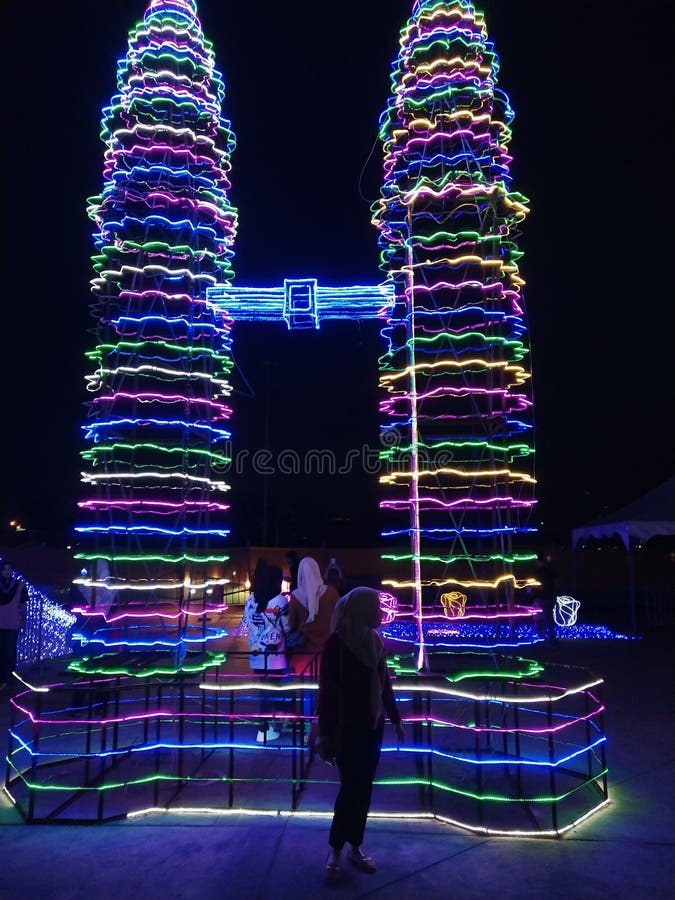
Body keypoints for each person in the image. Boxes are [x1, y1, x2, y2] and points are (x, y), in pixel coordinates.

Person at [316, 587, 404, 882]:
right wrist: (325, 733)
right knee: (351, 789)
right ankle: (336, 849)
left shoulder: (375, 643)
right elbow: (327, 694)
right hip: (347, 729)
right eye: (373, 606)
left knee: (363, 788)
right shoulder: (337, 646)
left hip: (372, 727)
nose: (379, 612)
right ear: (358, 610)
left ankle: (354, 846)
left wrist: (395, 718)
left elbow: (384, 682)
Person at [241, 564, 289, 742]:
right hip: (274, 655)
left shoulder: (249, 599)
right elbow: (288, 627)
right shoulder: (280, 601)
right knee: (271, 692)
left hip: (255, 653)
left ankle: (265, 726)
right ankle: (265, 728)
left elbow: (245, 623)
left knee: (264, 690)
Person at [287, 557, 340, 675]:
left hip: (302, 656)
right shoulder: (331, 593)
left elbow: (291, 624)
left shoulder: (295, 596)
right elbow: (340, 619)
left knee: (302, 690)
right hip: (327, 655)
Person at [0, 559, 28, 692]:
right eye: (4, 569)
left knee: (9, 653)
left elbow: (23, 604)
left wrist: (24, 619)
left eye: (9, 569)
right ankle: (2, 681)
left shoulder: (20, 585)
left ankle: (10, 681)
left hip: (12, 623)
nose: (7, 571)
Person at [535, 550, 559, 647]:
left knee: (547, 618)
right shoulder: (551, 570)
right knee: (548, 618)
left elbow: (542, 586)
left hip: (545, 597)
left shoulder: (542, 572)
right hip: (550, 596)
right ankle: (549, 638)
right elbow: (556, 582)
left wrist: (533, 589)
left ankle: (552, 640)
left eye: (537, 561)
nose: (535, 563)